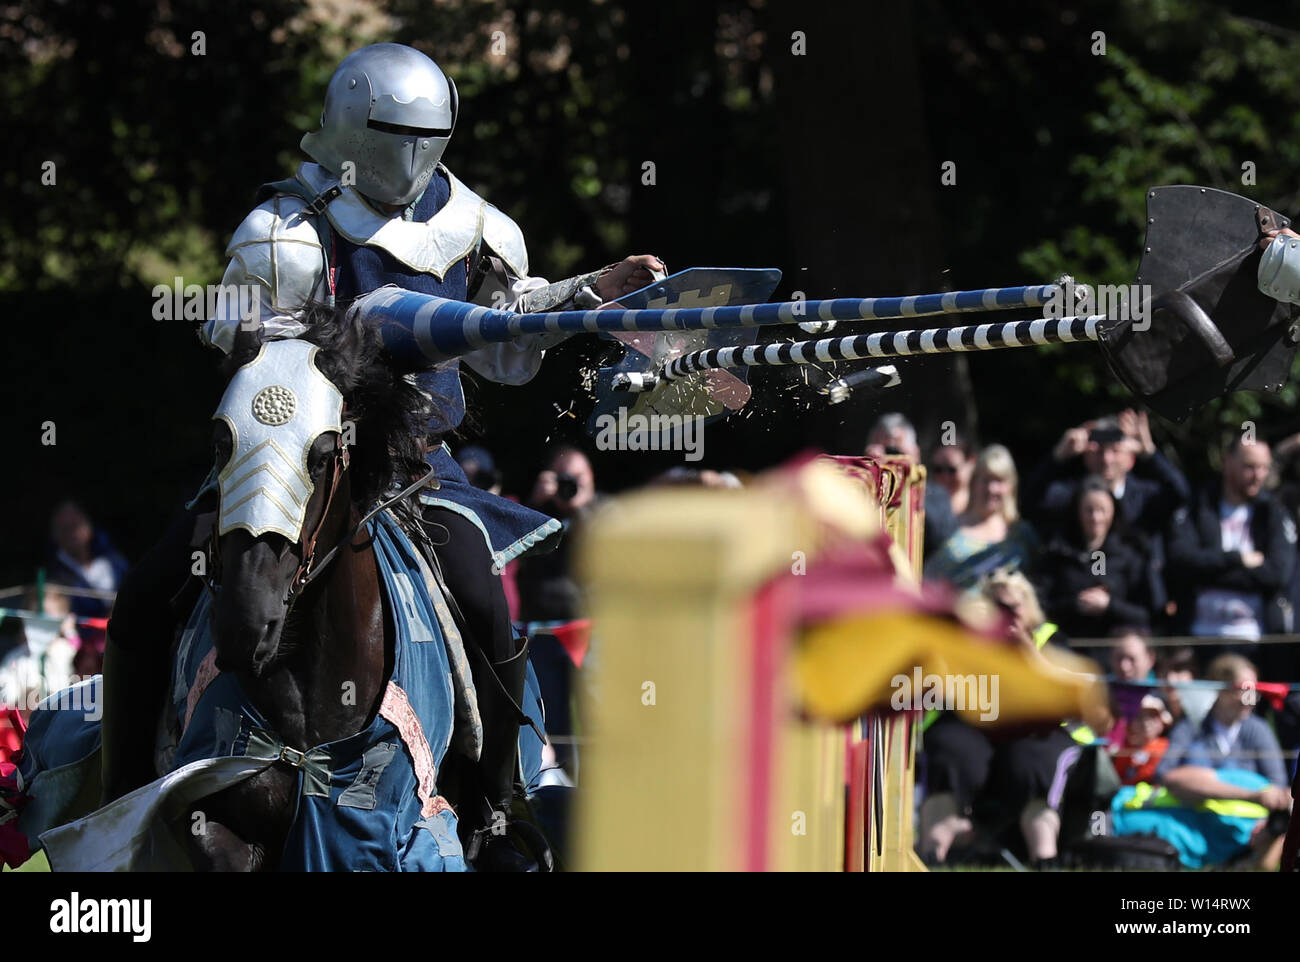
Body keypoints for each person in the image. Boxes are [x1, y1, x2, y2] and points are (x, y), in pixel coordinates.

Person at [104, 43, 663, 870]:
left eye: (425, 138)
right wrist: (343, 341)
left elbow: (505, 337)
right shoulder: (287, 225)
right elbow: (235, 330)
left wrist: (579, 299)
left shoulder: (471, 224)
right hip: (294, 458)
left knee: (478, 585)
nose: (410, 157)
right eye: (395, 136)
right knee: (150, 593)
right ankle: (124, 807)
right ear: (353, 128)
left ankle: (499, 805)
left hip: (412, 471)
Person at [1165, 436, 1297, 646]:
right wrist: (1237, 559)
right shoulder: (1197, 508)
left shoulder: (1273, 513)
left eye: (1264, 468)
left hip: (1257, 642)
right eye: (1250, 467)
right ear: (1227, 462)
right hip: (1199, 639)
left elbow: (1277, 574)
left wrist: (1209, 572)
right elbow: (1181, 561)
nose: (1258, 476)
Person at [1023, 410, 1190, 556]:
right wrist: (1059, 455)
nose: (1106, 459)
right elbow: (1032, 498)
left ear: (1131, 457)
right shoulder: (1073, 496)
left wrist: (1149, 453)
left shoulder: (1144, 497)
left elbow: (1181, 494)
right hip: (1085, 582)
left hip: (1135, 586)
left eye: (1115, 450)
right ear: (1086, 455)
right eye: (1100, 450)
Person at [1035, 477, 1154, 638]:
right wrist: (1075, 604)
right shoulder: (1058, 553)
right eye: (1088, 510)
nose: (1095, 518)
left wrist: (1109, 605)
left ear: (1114, 511)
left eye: (1102, 510)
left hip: (1116, 650)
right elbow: (1040, 606)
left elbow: (1148, 613)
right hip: (1067, 648)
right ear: (1077, 511)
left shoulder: (1129, 554)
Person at [923, 444, 1038, 590]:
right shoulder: (949, 525)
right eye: (986, 480)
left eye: (999, 481)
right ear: (974, 483)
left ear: (1011, 485)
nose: (991, 488)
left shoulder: (1023, 534)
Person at [864, 413, 956, 556]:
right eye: (887, 451)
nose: (892, 458)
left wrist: (909, 480)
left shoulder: (936, 494)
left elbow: (940, 538)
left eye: (897, 451)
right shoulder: (858, 490)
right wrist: (869, 471)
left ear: (916, 452)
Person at [927, 434, 975, 517]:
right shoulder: (923, 504)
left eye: (952, 470)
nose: (945, 477)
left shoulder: (982, 505)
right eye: (938, 470)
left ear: (971, 463)